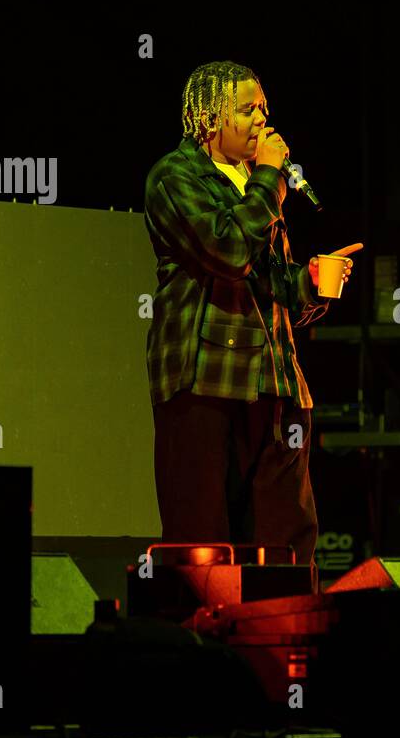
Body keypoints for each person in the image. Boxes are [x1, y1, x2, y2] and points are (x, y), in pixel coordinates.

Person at [143, 60, 360, 576]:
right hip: (206, 383)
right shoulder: (174, 177)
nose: (263, 118)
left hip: (277, 385)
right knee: (204, 543)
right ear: (209, 118)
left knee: (285, 541)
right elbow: (227, 250)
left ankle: (285, 647)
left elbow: (270, 284)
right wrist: (267, 179)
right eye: (247, 109)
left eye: (264, 107)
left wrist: (309, 282)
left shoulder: (256, 185)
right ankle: (201, 651)